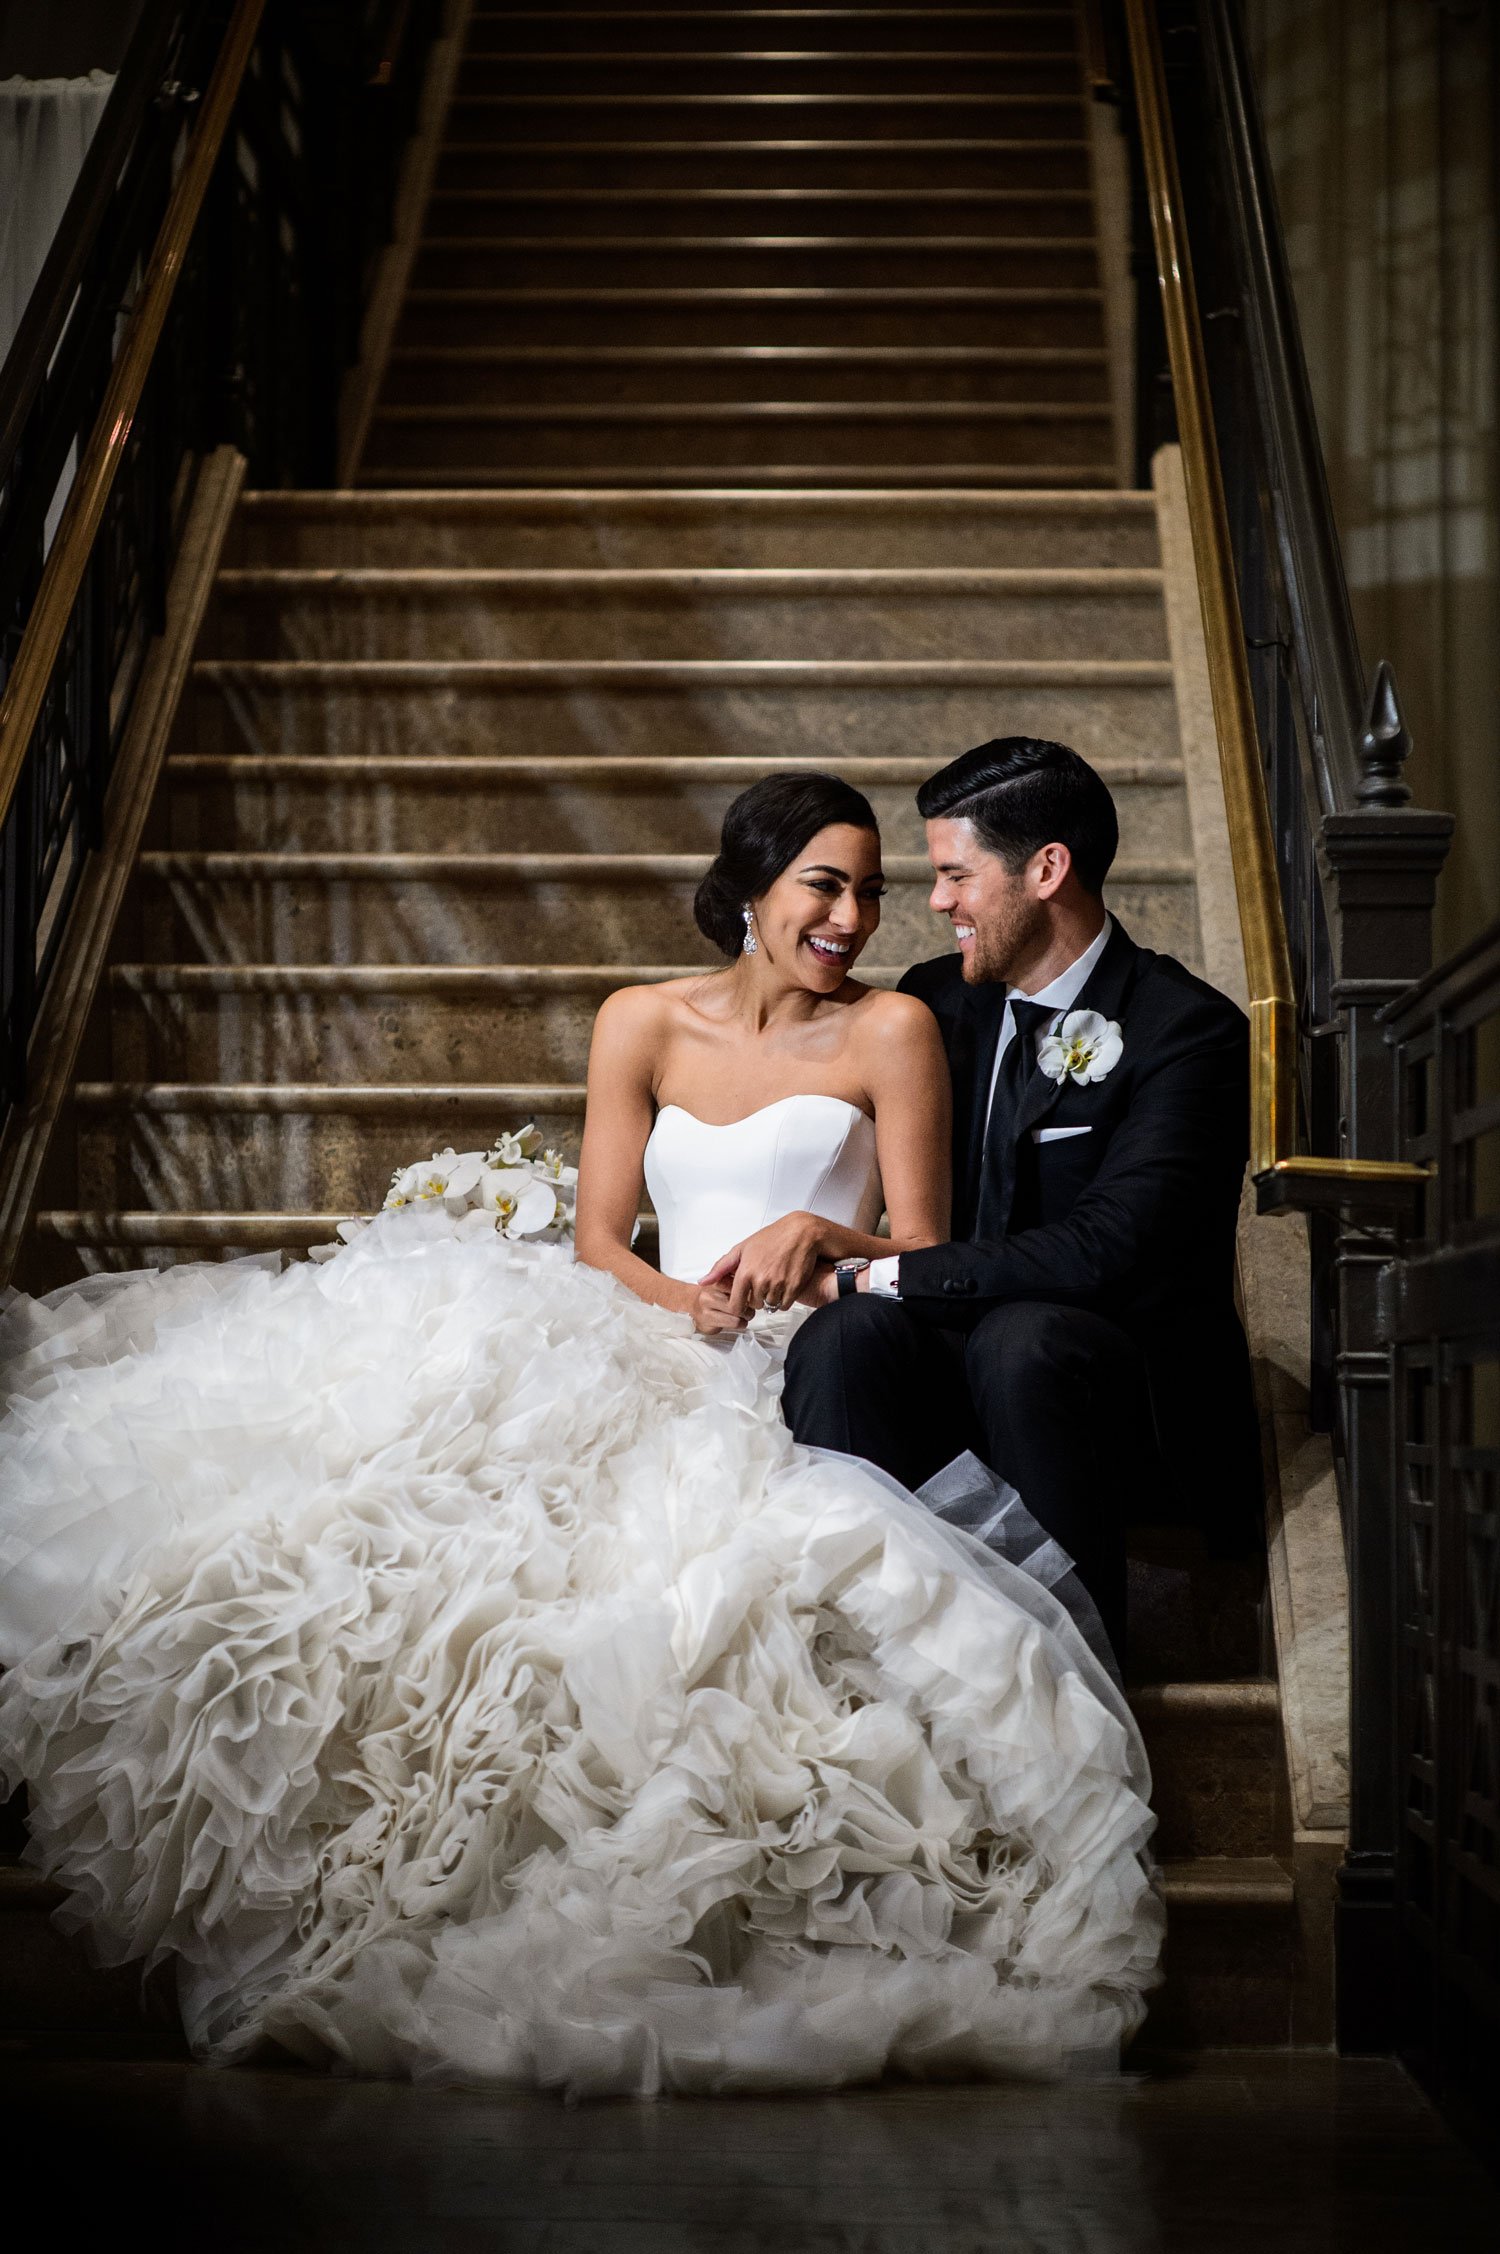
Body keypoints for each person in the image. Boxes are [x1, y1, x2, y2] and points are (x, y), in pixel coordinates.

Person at [0, 772, 1161, 2099]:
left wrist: (818, 1242)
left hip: (802, 1342)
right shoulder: (639, 1022)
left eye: (876, 888)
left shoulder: (890, 1029)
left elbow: (923, 1248)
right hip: (657, 1325)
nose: (855, 915)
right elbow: (603, 1236)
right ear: (750, 885)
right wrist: (693, 1303)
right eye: (824, 884)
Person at [780, 739, 1262, 1666]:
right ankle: (855, 1659)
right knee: (846, 1336)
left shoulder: (1186, 1031)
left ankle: (1066, 1680)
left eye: (956, 875)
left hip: (1111, 1392)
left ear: (1046, 870)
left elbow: (1108, 1250)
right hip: (958, 1366)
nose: (936, 903)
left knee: (1021, 1339)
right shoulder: (933, 1004)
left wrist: (878, 1271)